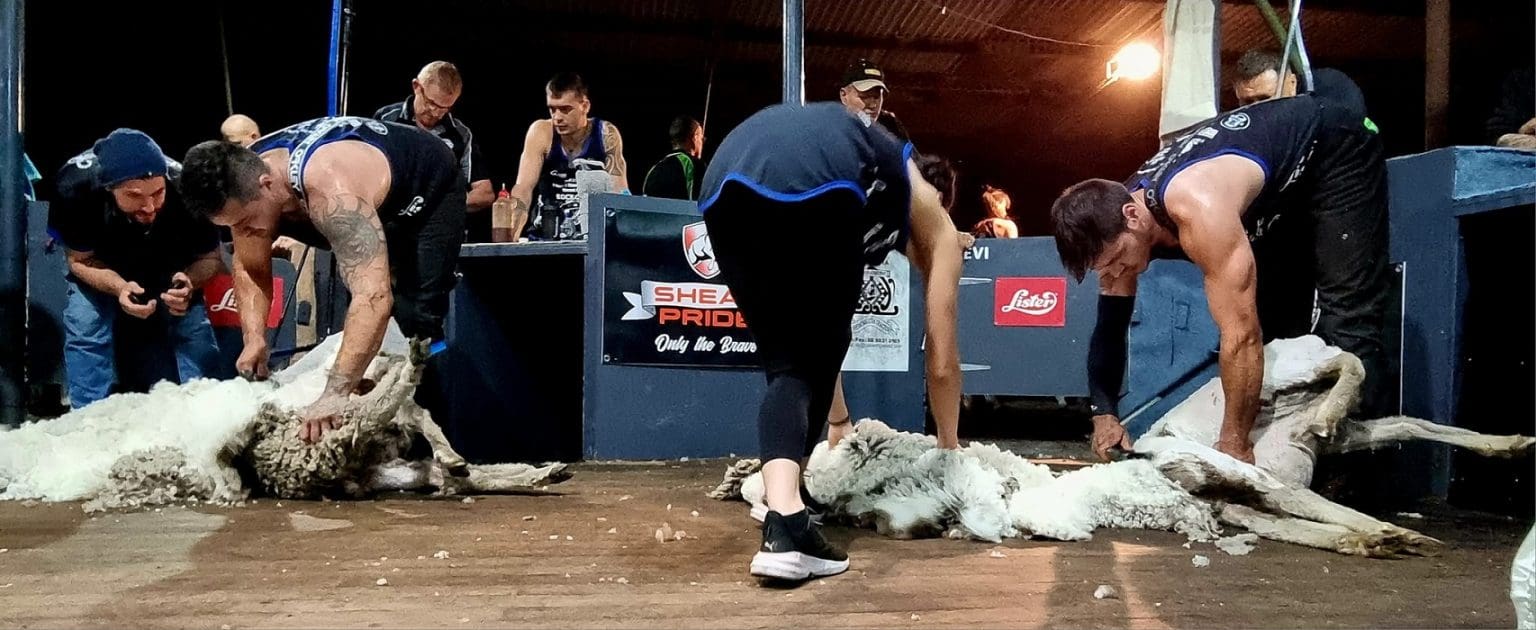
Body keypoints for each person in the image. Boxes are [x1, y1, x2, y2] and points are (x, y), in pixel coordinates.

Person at [699, 102, 962, 582]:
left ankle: (782, 503)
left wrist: (838, 422)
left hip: (723, 182)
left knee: (790, 363)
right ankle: (787, 527)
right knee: (811, 353)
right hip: (820, 178)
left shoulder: (870, 174)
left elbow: (823, 347)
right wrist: (950, 448)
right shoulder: (933, 215)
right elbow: (941, 358)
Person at [1050, 93, 1390, 465]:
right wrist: (1105, 414)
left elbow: (1241, 336)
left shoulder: (1197, 207)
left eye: (1116, 260)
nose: (1116, 274)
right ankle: (1298, 449)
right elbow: (1110, 328)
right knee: (1279, 326)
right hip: (1272, 182)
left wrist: (1232, 446)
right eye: (1105, 269)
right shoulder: (1116, 227)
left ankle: (1360, 469)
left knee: (1346, 313)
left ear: (1133, 215)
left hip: (1333, 142)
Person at [178, 116, 466, 443]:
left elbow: (374, 298)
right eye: (233, 225)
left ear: (266, 184)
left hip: (426, 191)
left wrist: (334, 393)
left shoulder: (331, 187)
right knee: (364, 325)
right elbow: (250, 266)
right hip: (341, 200)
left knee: (416, 316)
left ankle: (437, 439)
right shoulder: (243, 181)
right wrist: (254, 337)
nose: (244, 232)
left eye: (244, 221)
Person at [49, 129, 226, 408]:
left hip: (166, 258)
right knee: (86, 323)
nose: (149, 206)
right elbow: (79, 261)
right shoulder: (74, 188)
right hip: (103, 260)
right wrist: (119, 287)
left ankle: (207, 410)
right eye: (135, 196)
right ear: (110, 188)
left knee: (192, 326)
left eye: (158, 193)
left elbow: (211, 258)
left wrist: (190, 281)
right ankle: (86, 420)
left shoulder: (186, 187)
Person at [374, 61, 494, 238]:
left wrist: (444, 206)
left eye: (445, 107)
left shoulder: (460, 134)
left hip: (438, 232)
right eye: (431, 103)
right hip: (389, 228)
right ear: (417, 87)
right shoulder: (385, 120)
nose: (436, 113)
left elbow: (485, 193)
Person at [505, 72, 628, 241]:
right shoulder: (541, 132)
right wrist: (511, 235)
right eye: (552, 109)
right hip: (547, 234)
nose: (557, 118)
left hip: (591, 237)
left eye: (565, 109)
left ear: (584, 106)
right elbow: (523, 189)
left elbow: (619, 192)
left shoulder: (606, 134)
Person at [1230, 49, 1367, 115]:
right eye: (1247, 102)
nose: (1257, 107)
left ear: (1292, 83)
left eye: (1265, 98)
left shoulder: (1331, 89)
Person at [641, 116, 705, 201]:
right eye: (702, 138)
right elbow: (701, 204)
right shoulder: (694, 165)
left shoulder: (654, 169)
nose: (702, 143)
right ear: (695, 137)